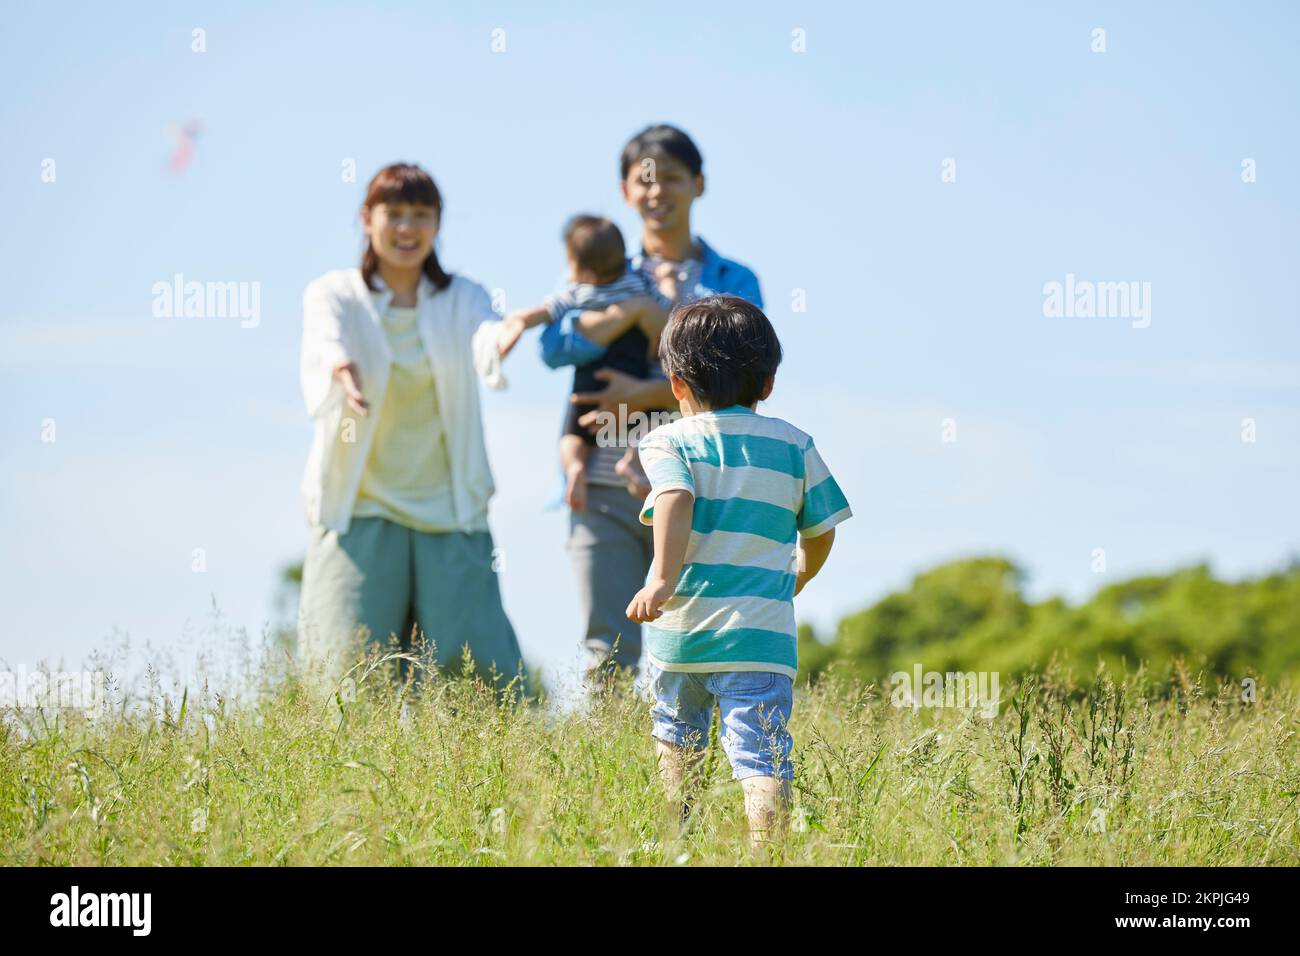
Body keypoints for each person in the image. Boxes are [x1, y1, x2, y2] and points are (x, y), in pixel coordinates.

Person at [626, 295, 852, 845]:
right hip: (761, 638)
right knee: (761, 758)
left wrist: (661, 579)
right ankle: (766, 853)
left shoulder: (666, 441)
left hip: (682, 634)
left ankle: (679, 846)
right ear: (768, 383)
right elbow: (822, 528)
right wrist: (802, 572)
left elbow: (675, 496)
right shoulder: (795, 445)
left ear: (676, 384)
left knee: (677, 743)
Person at [297, 162, 527, 693]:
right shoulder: (334, 292)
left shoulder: (463, 295)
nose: (407, 228)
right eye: (393, 213)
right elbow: (325, 340)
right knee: (347, 675)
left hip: (449, 510)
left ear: (438, 224)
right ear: (366, 218)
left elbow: (484, 336)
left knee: (476, 677)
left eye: (421, 215)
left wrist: (508, 333)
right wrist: (342, 369)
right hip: (359, 506)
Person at [562, 124, 765, 688]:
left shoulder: (734, 280)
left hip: (704, 485)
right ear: (625, 191)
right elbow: (560, 349)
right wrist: (626, 314)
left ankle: (692, 766)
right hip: (603, 483)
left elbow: (740, 372)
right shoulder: (604, 273)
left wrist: (637, 393)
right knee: (606, 647)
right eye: (644, 180)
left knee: (702, 640)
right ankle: (608, 773)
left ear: (699, 184)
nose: (658, 192)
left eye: (672, 177)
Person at [501, 215, 668, 512]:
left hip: (590, 377)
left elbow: (549, 310)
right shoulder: (639, 280)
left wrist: (521, 320)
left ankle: (575, 466)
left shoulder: (578, 290)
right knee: (650, 421)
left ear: (582, 269)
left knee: (573, 430)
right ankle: (631, 461)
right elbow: (664, 309)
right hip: (636, 374)